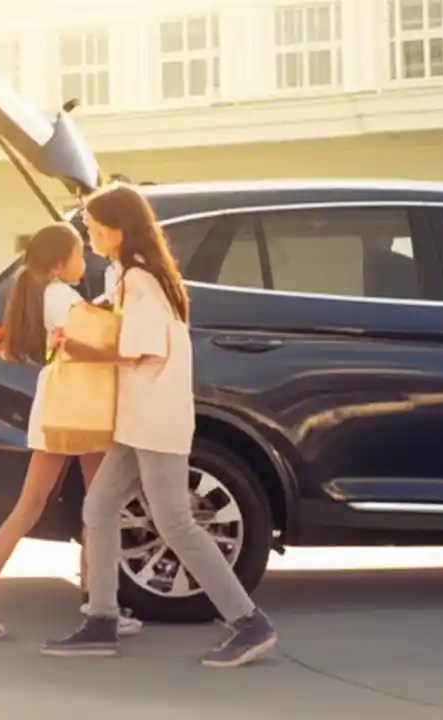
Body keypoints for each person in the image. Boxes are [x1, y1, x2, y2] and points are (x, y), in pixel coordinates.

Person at [41, 182, 277, 667]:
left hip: (155, 420)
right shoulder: (130, 276)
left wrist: (78, 347)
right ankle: (101, 619)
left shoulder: (142, 280)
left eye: (93, 226)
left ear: (118, 230)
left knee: (174, 523)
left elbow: (140, 350)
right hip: (139, 420)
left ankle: (249, 622)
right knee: (99, 508)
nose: (88, 233)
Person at [0, 222, 141, 638]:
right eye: (78, 254)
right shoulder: (61, 297)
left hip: (59, 409)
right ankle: (98, 604)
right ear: (58, 263)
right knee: (97, 507)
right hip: (80, 410)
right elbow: (88, 343)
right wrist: (123, 352)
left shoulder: (51, 295)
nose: (84, 261)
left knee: (33, 508)